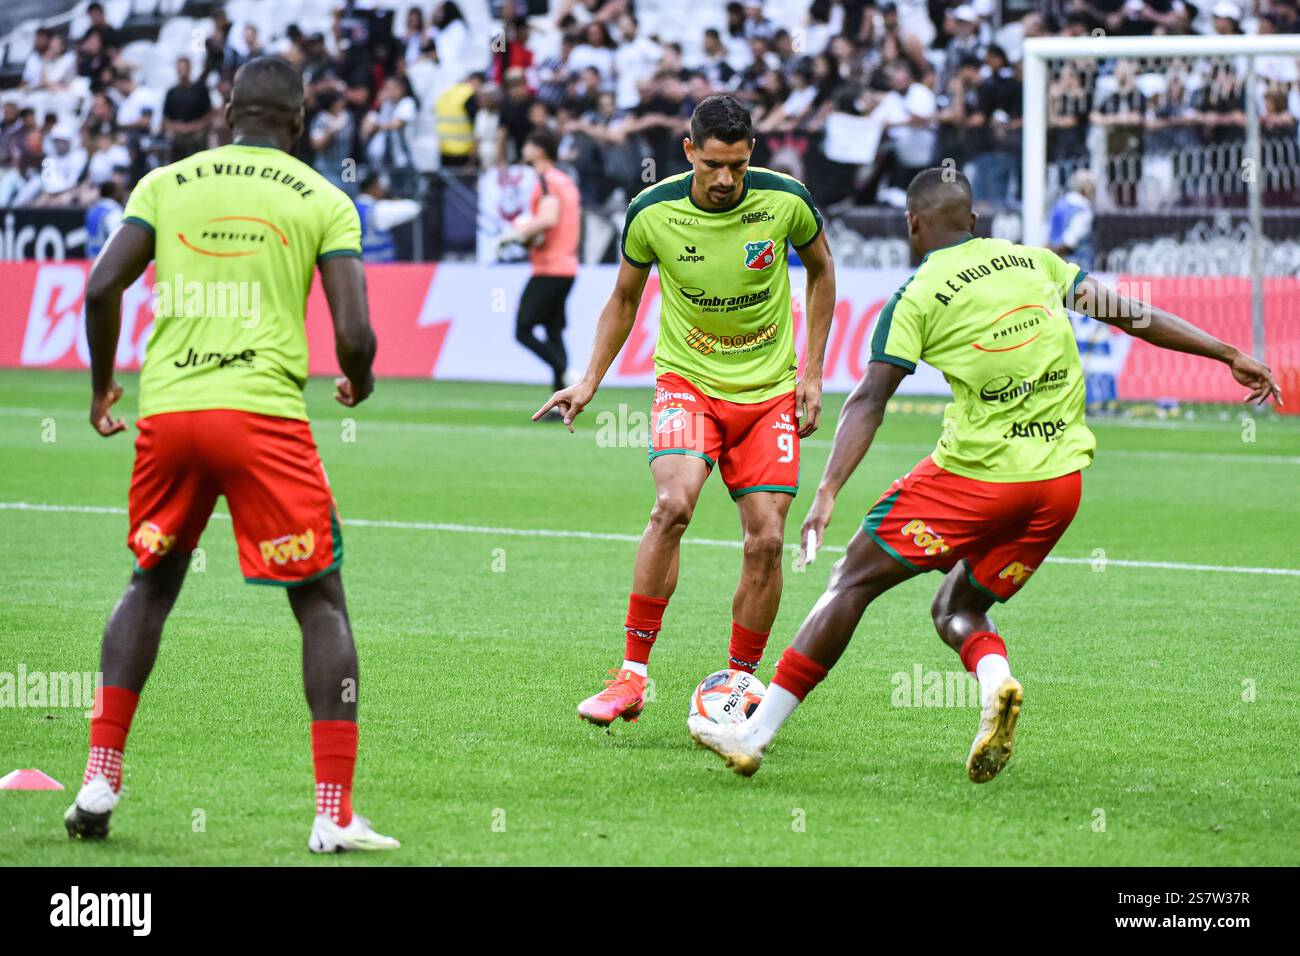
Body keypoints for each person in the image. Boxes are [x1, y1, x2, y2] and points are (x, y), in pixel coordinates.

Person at [691, 168, 1281, 778]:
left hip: (976, 482)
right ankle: (996, 683)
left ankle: (752, 733)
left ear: (912, 226)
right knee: (956, 606)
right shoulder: (1037, 263)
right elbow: (1129, 313)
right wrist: (1228, 352)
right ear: (974, 221)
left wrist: (828, 490)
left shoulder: (914, 298)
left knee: (850, 583)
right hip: (1058, 488)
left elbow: (870, 399)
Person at [67, 56, 397, 854]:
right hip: (261, 418)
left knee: (152, 581)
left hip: (171, 412)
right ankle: (332, 813)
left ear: (225, 111)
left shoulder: (165, 184)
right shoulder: (322, 197)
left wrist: (103, 386)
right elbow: (352, 333)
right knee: (319, 600)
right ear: (301, 116)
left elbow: (101, 287)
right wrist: (360, 380)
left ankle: (100, 776)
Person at [534, 95, 835, 726]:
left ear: (751, 151)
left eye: (737, 165)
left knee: (767, 541)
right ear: (689, 151)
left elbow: (821, 271)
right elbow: (623, 297)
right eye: (713, 165)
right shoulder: (652, 210)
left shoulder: (787, 201)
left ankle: (737, 689)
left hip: (769, 394)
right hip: (688, 383)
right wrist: (588, 380)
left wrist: (811, 372)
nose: (726, 179)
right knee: (671, 506)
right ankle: (631, 677)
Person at [501, 129, 581, 401]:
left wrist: (516, 234)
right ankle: (563, 402)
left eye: (527, 144)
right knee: (553, 331)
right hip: (568, 266)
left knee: (523, 329)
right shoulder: (566, 180)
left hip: (549, 269)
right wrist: (528, 239)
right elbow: (554, 227)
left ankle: (567, 372)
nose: (524, 149)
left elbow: (548, 218)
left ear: (538, 150)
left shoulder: (546, 180)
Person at [84, 178, 123, 259]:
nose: (121, 194)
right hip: (107, 261)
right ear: (113, 193)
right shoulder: (113, 211)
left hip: (90, 259)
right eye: (119, 191)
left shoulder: (92, 209)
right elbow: (118, 239)